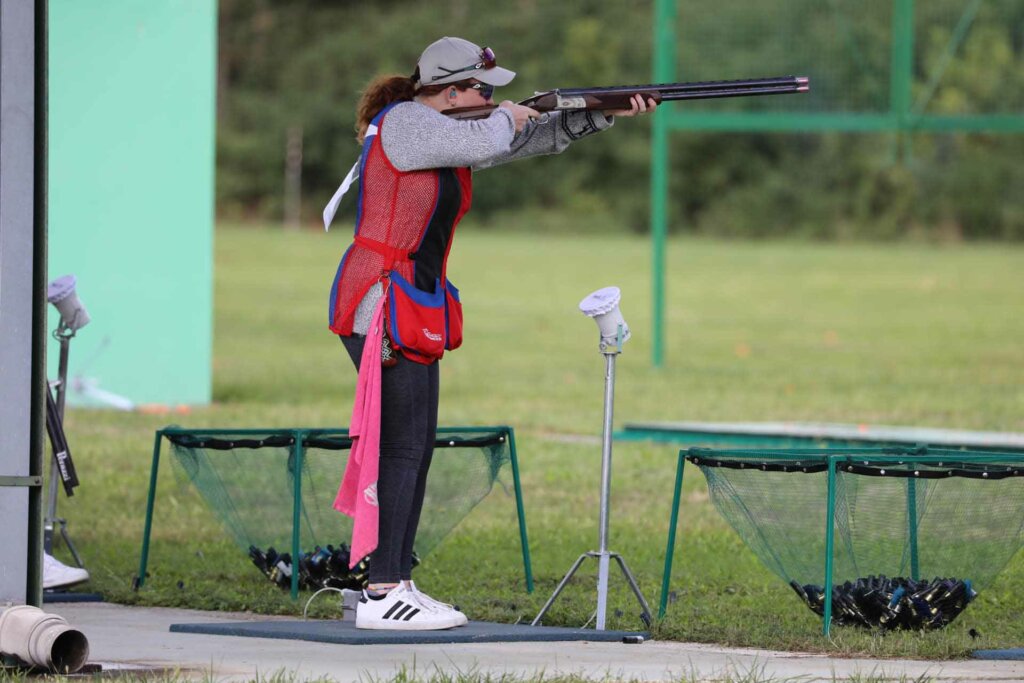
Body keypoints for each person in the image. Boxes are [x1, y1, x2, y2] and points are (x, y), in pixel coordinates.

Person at [324, 36, 655, 631]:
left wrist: (602, 113)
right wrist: (510, 115)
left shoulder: (445, 132)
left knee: (415, 445)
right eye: (481, 88)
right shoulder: (407, 123)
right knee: (401, 447)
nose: (490, 96)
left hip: (411, 299)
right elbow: (492, 137)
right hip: (381, 301)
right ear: (449, 92)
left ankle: (397, 582)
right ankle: (381, 591)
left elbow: (525, 138)